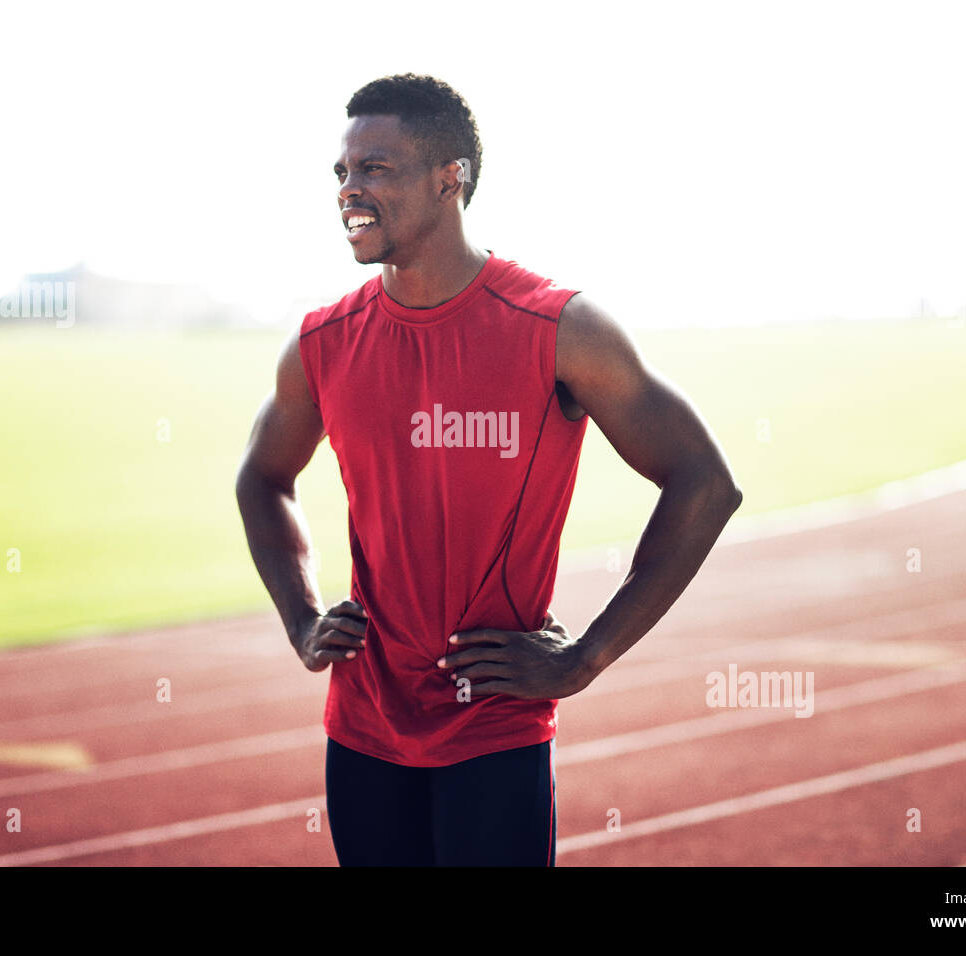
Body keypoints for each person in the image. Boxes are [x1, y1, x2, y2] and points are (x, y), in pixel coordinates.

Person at [235, 73, 742, 866]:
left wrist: (585, 657)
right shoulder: (321, 343)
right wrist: (302, 619)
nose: (349, 191)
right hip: (363, 727)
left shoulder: (558, 327)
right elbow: (261, 478)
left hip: (493, 726)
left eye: (376, 168)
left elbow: (706, 483)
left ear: (451, 179)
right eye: (341, 172)